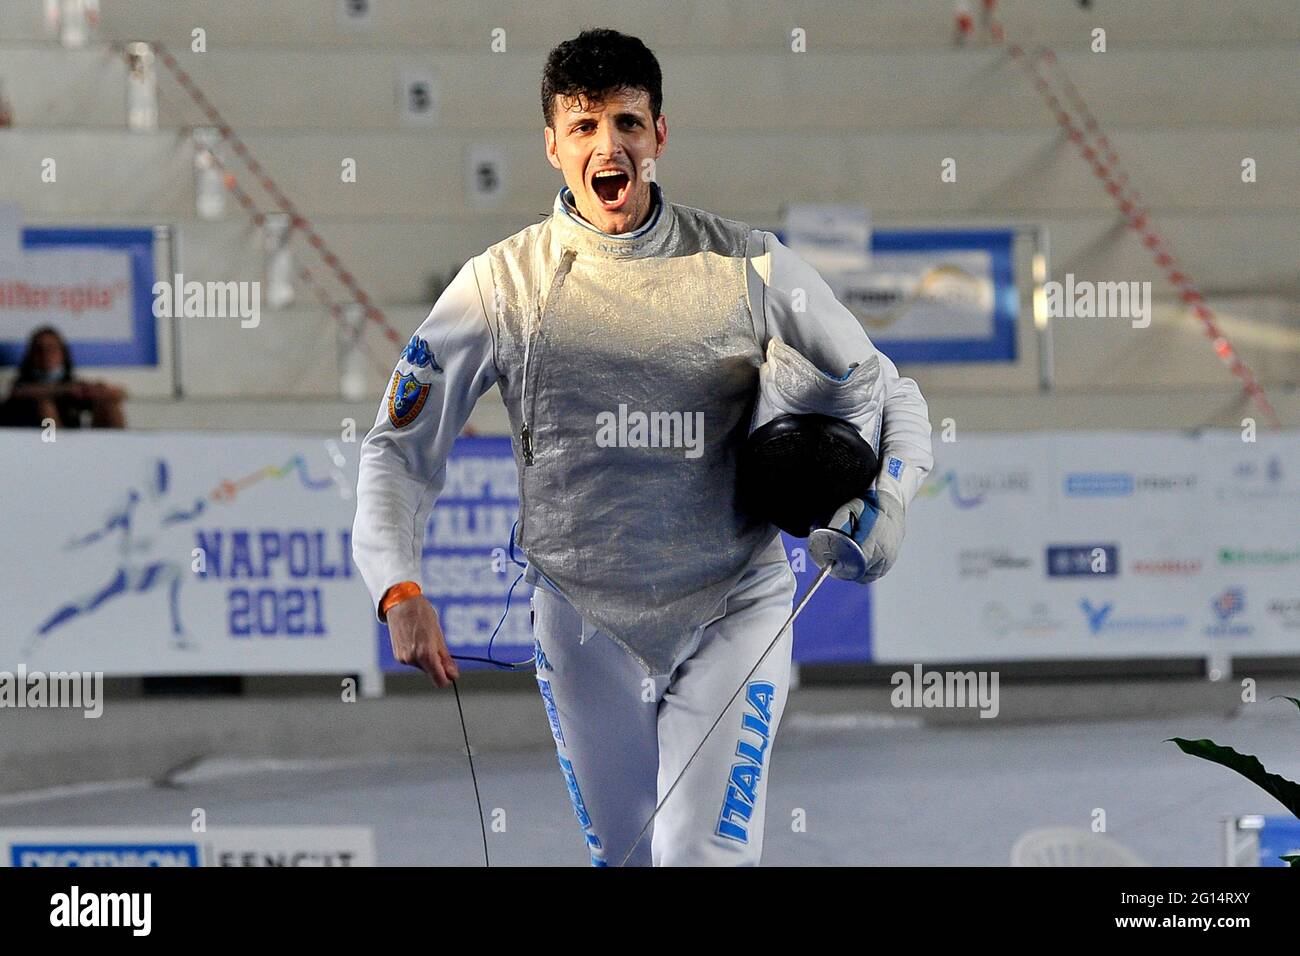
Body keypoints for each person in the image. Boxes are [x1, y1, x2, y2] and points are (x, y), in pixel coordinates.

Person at [353, 29, 933, 866]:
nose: (607, 145)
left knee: (700, 855)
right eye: (583, 127)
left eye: (626, 122)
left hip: (736, 603)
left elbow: (889, 387)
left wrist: (894, 499)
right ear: (553, 145)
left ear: (659, 135)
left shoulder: (750, 265)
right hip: (581, 614)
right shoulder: (499, 287)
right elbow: (398, 447)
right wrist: (397, 583)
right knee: (626, 857)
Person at [1, 326, 126, 428]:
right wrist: (65, 390)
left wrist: (97, 390)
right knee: (45, 404)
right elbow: (18, 392)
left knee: (109, 403)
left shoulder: (73, 383)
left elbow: (120, 393)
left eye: (51, 349)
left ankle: (115, 451)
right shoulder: (23, 385)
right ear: (31, 355)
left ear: (63, 353)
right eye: (39, 349)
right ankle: (56, 452)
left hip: (76, 445)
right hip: (41, 443)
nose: (46, 355)